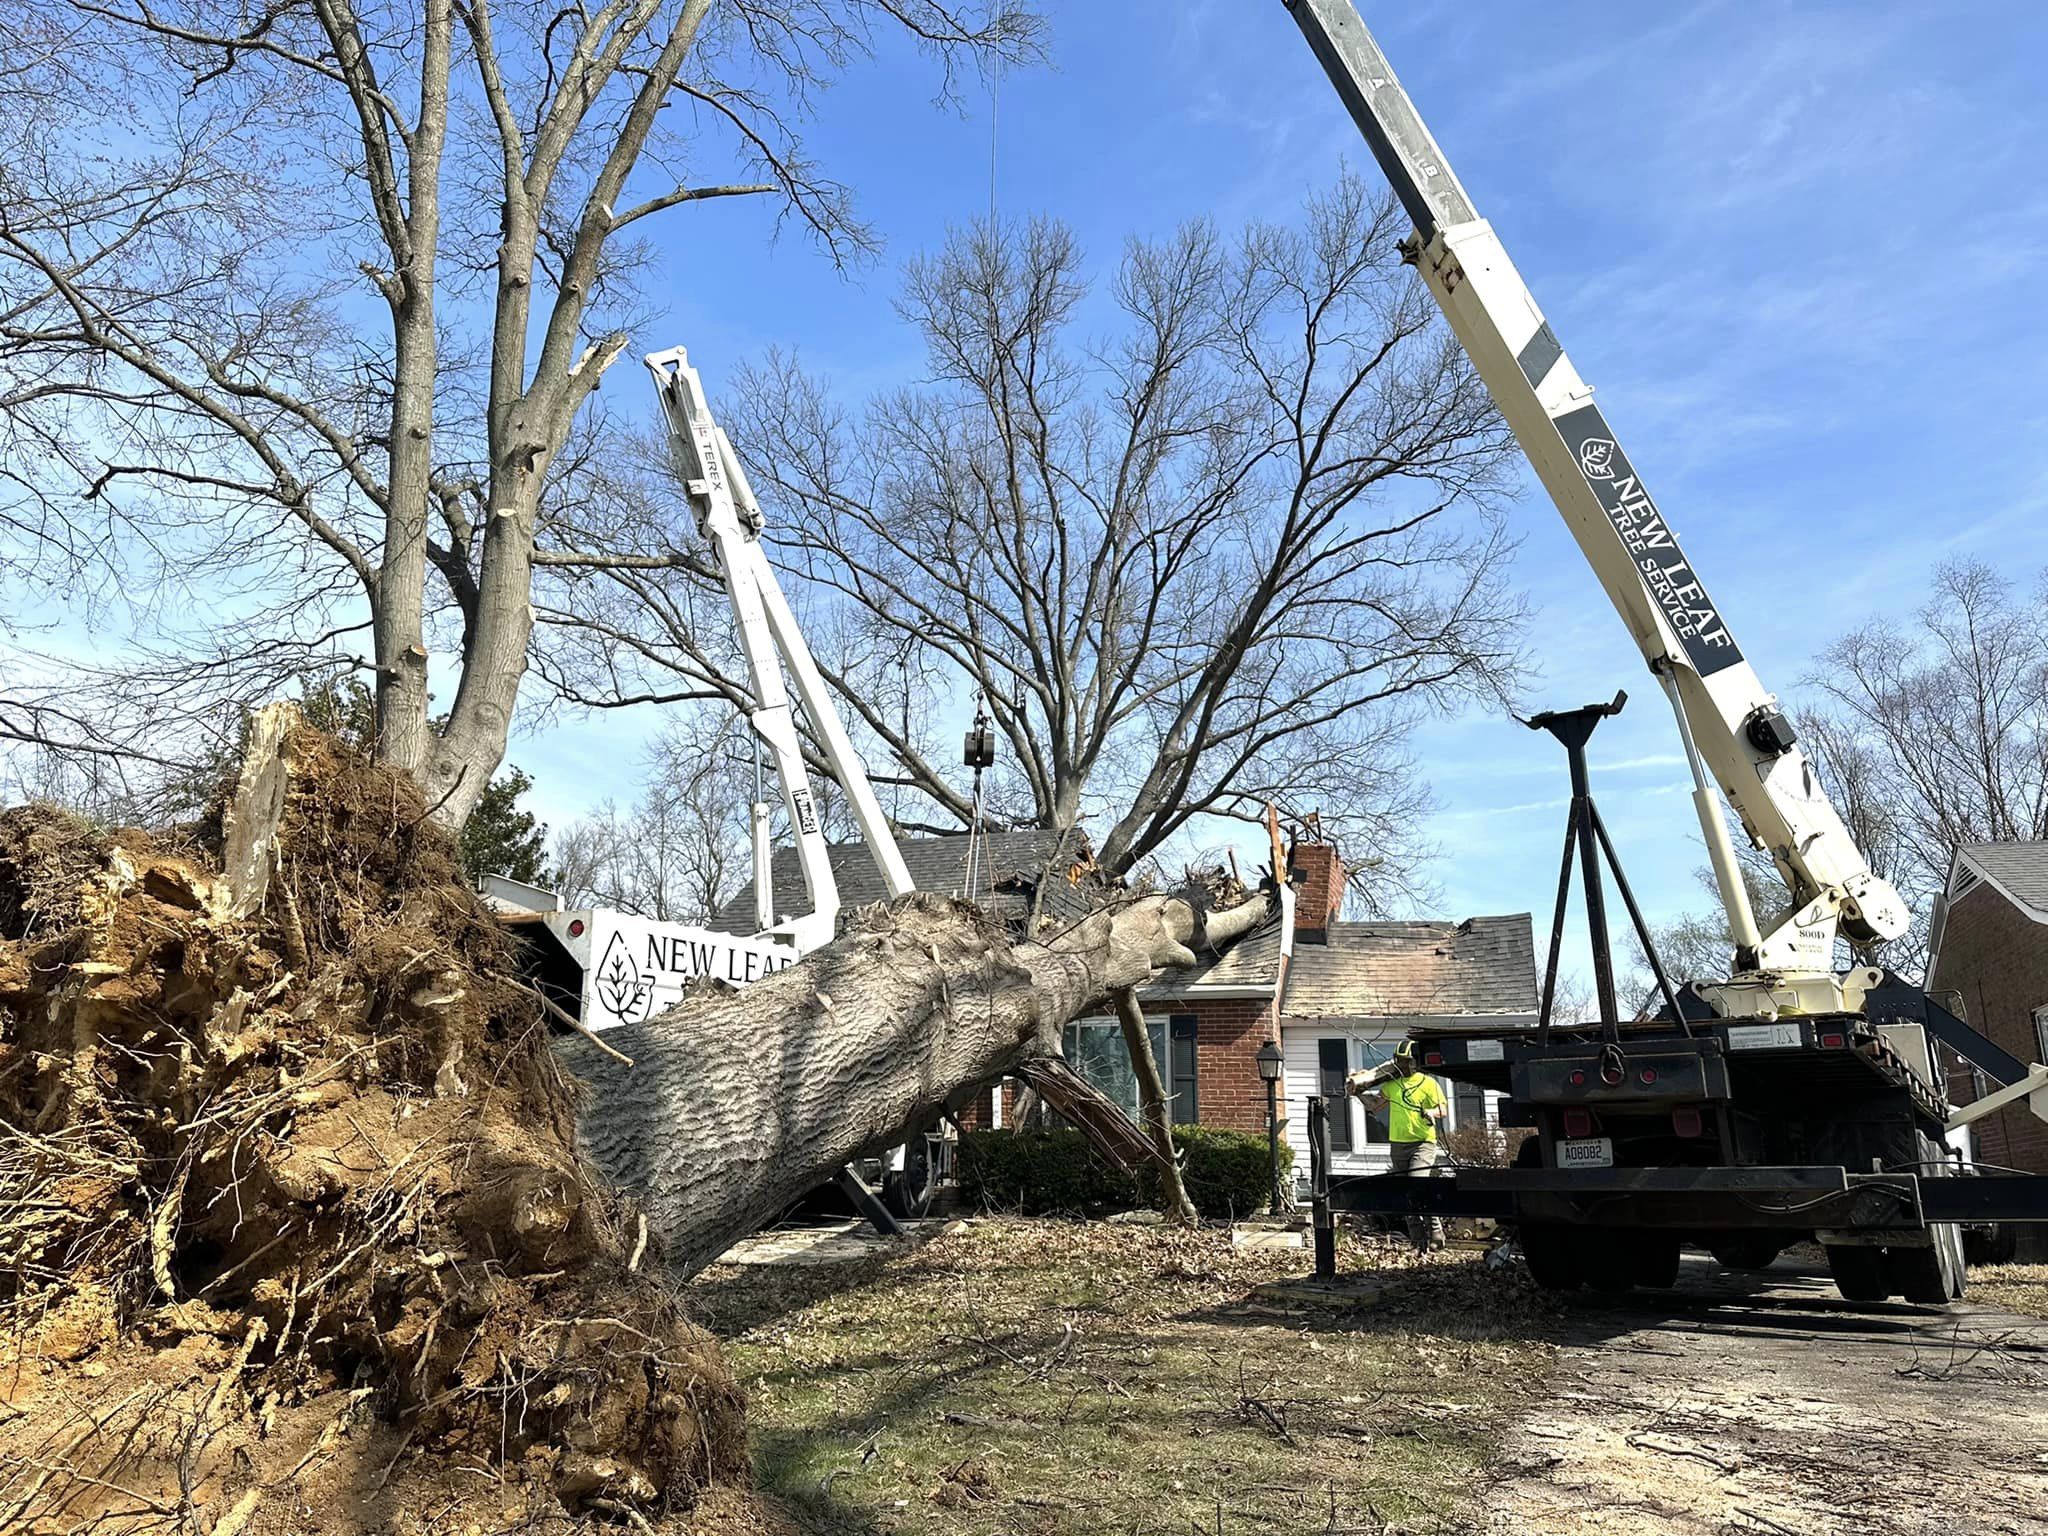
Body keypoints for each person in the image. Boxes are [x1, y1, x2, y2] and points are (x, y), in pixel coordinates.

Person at [1363, 1043, 1448, 1252]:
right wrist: (1357, 1092)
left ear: (1414, 1062)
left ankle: (1436, 1231)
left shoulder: (1428, 1083)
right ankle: (1418, 1241)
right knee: (1405, 1191)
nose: (1403, 1064)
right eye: (1399, 1060)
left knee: (1418, 1184)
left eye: (1407, 1060)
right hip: (1398, 1144)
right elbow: (1375, 1106)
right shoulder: (1392, 1085)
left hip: (1423, 1143)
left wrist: (1431, 1112)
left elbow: (1442, 1109)